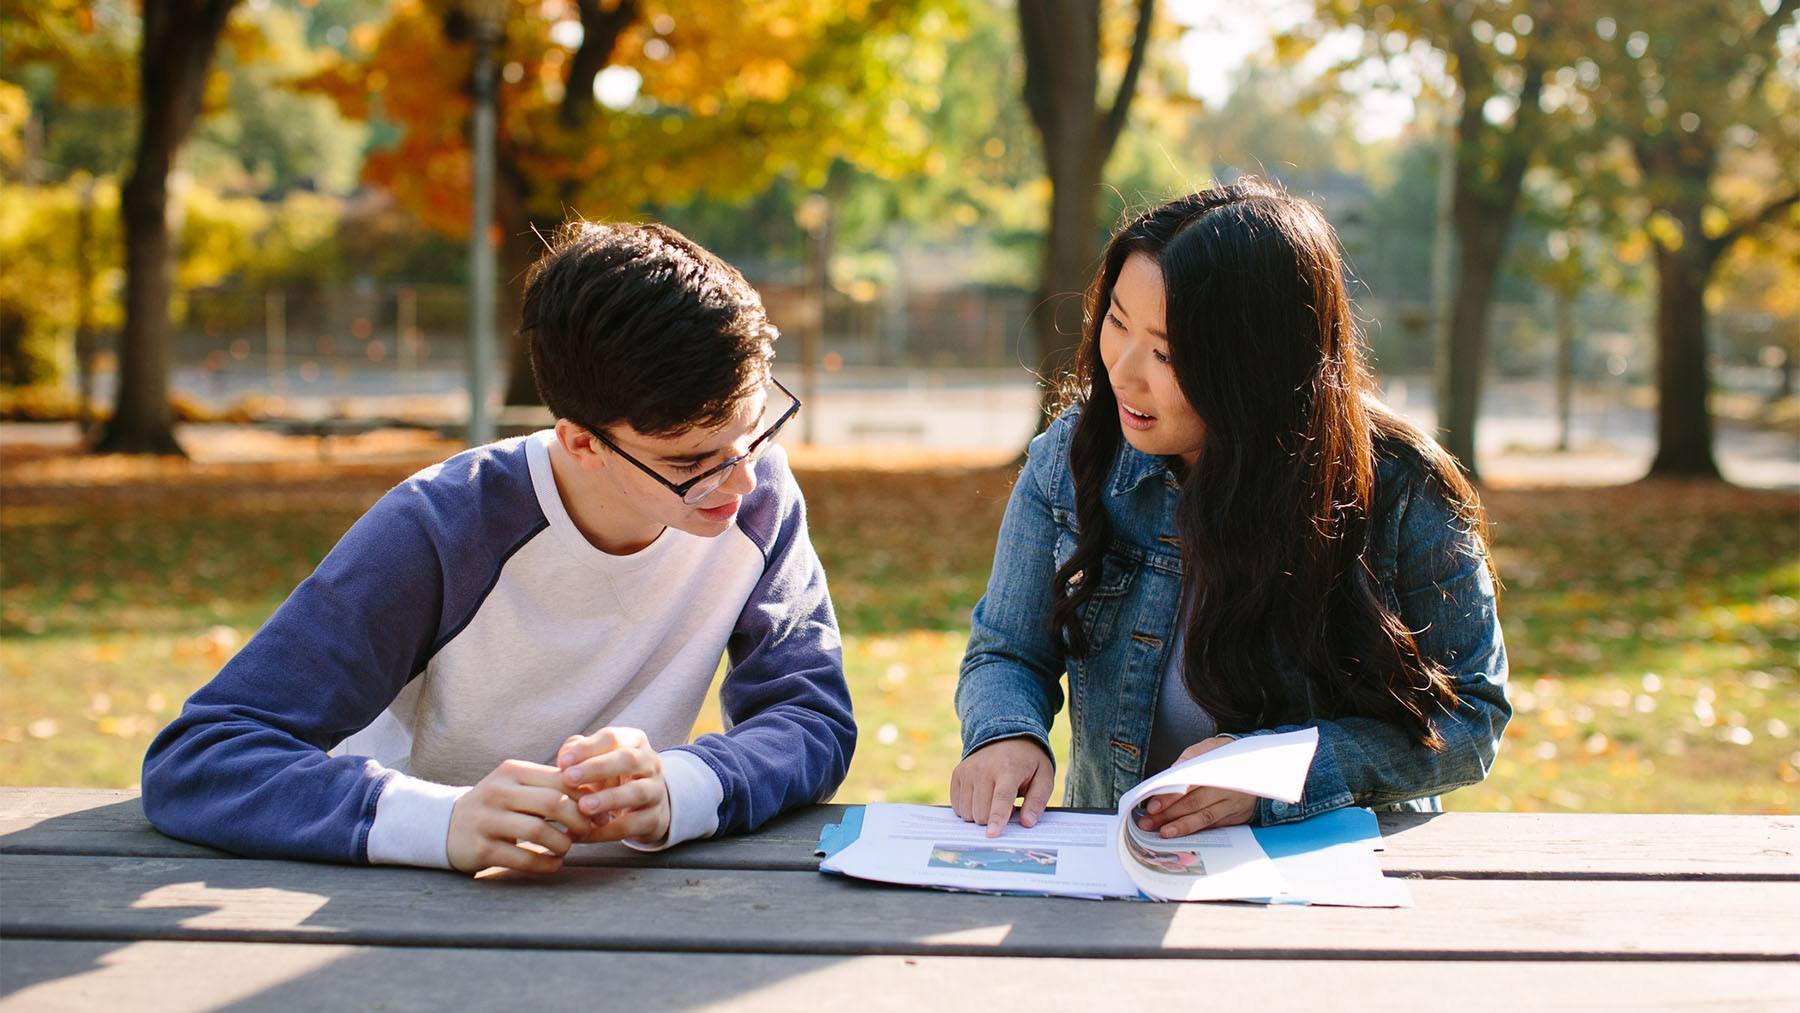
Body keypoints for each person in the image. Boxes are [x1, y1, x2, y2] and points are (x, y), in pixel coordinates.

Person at [142, 221, 854, 874]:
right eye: (690, 461)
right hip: (405, 903)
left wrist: (686, 784)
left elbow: (810, 715)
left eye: (757, 427)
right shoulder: (442, 526)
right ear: (580, 440)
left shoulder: (758, 500)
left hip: (621, 898)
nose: (744, 475)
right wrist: (441, 819)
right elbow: (204, 754)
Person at [949, 180, 1509, 839]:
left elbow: (1471, 718)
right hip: (1121, 871)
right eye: (1117, 321)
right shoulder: (1072, 458)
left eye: (1164, 352)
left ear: (1256, 366)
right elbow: (1007, 650)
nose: (1123, 371)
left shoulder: (1402, 490)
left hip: (1321, 876)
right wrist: (1004, 734)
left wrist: (1273, 774)